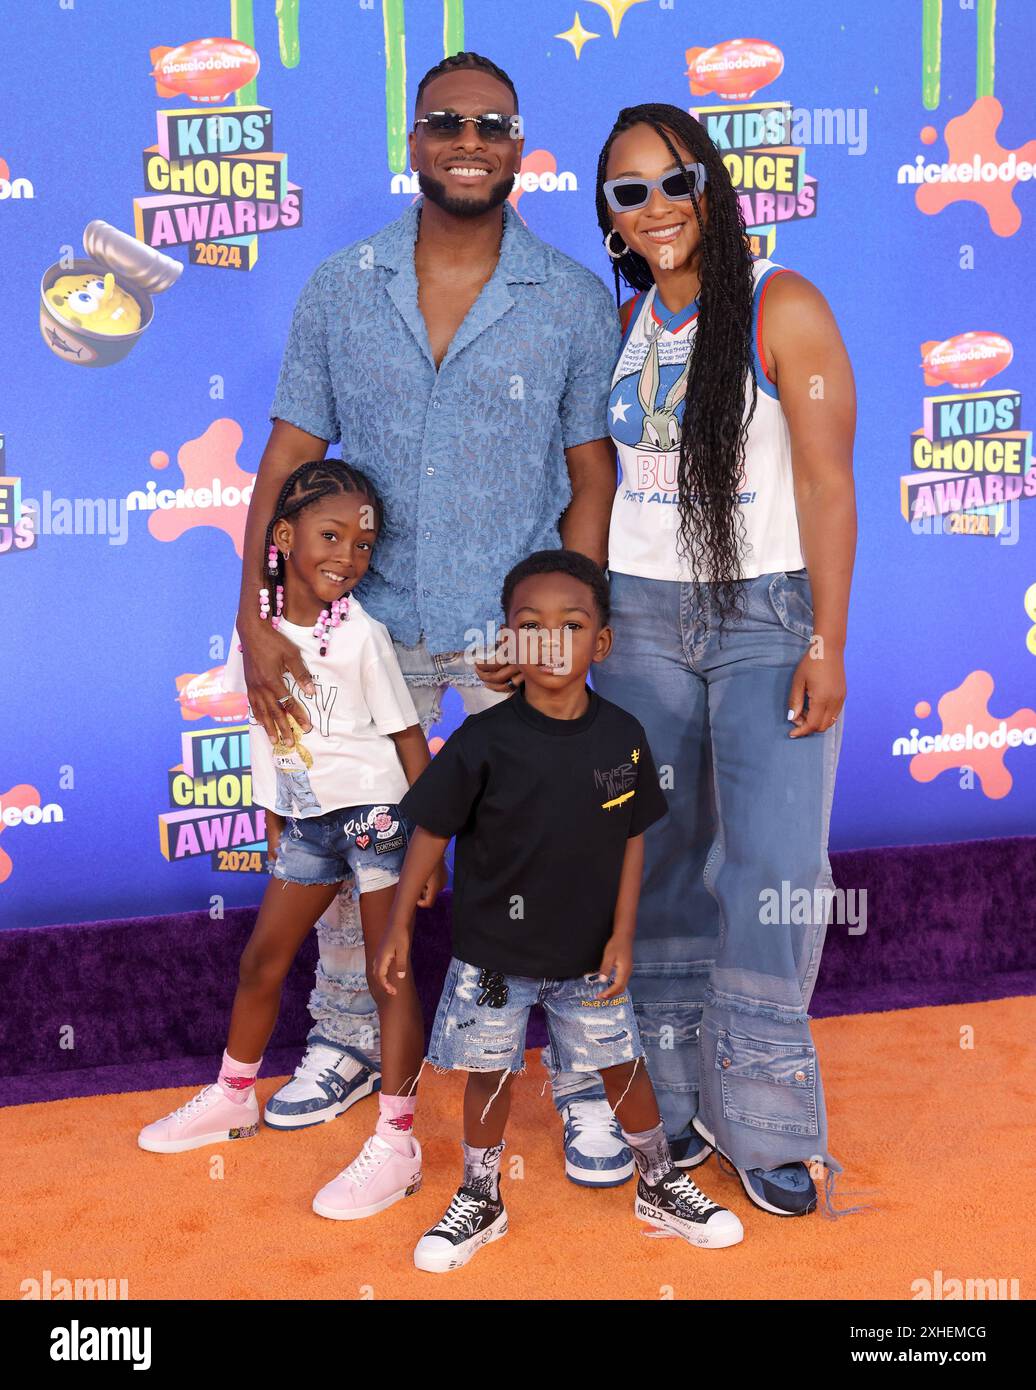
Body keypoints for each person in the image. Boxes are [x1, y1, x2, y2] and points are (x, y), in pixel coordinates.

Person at [235, 51, 633, 1184]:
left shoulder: (565, 298)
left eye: (492, 123)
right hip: (366, 628)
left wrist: (564, 623)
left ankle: (580, 1076)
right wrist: (263, 608)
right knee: (355, 848)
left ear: (518, 146)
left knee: (553, 849)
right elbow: (287, 456)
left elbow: (590, 477)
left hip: (513, 631)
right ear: (415, 141)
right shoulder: (338, 286)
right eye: (446, 120)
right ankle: (351, 1042)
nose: (469, 138)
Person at [587, 103, 856, 1215]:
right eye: (628, 191)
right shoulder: (623, 324)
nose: (655, 207)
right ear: (609, 219)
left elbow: (830, 483)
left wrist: (827, 639)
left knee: (777, 873)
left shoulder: (780, 304)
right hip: (640, 619)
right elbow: (600, 487)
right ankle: (678, 1099)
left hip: (765, 614)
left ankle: (772, 1123)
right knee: (657, 859)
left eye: (673, 179)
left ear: (713, 185)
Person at [374, 551, 744, 1271]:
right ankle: (481, 1197)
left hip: (587, 954)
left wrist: (624, 936)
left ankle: (660, 1182)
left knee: (623, 1067)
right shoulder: (484, 740)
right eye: (529, 626)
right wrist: (400, 922)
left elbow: (636, 839)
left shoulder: (622, 737)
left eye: (570, 626)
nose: (550, 641)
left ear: (600, 644)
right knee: (491, 1072)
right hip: (492, 959)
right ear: (508, 642)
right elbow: (431, 826)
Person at [139, 460, 443, 1223]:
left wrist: (432, 844)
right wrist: (275, 812)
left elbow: (409, 737)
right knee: (261, 960)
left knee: (389, 977)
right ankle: (235, 1095)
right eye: (331, 536)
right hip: (308, 823)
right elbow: (266, 730)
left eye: (364, 545)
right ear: (283, 536)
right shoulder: (260, 630)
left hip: (377, 818)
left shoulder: (363, 634)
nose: (348, 557)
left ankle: (399, 1141)